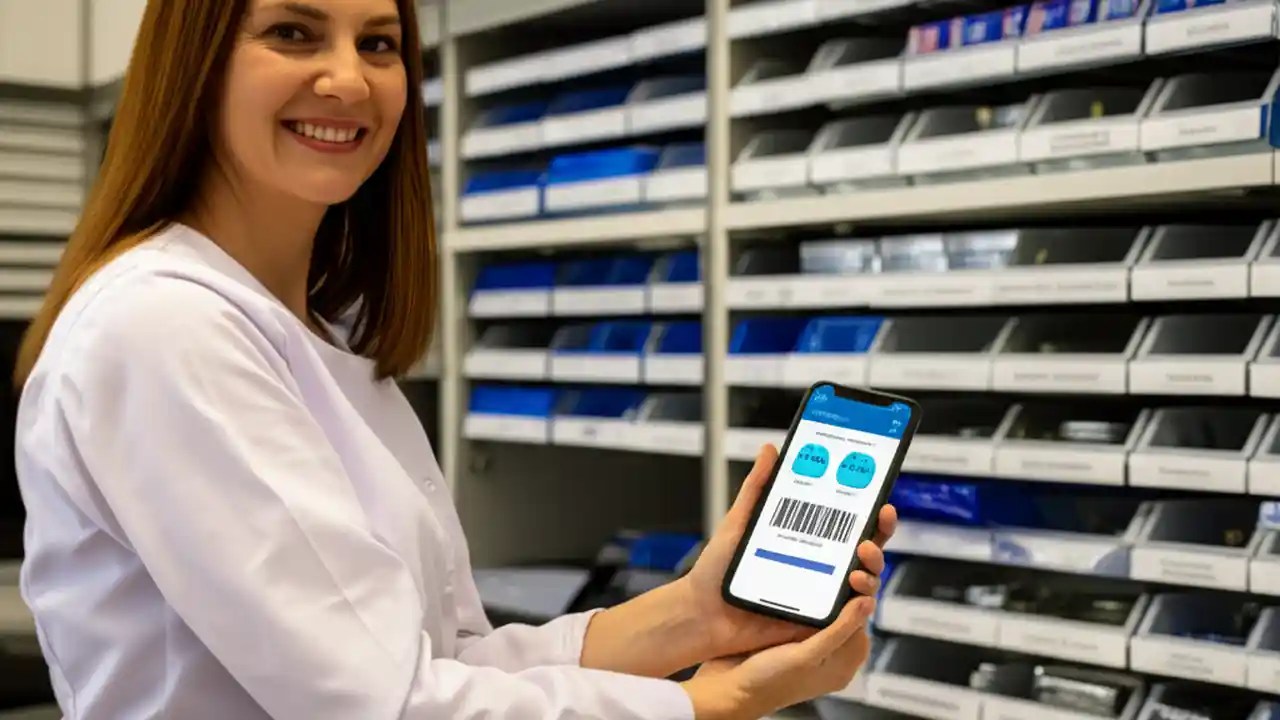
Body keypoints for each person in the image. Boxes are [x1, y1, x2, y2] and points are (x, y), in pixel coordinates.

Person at [12, 1, 897, 718]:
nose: (349, 79)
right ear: (195, 64)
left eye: (380, 43)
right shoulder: (164, 328)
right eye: (293, 32)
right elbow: (387, 706)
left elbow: (444, 663)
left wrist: (695, 616)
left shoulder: (316, 335)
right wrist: (716, 704)